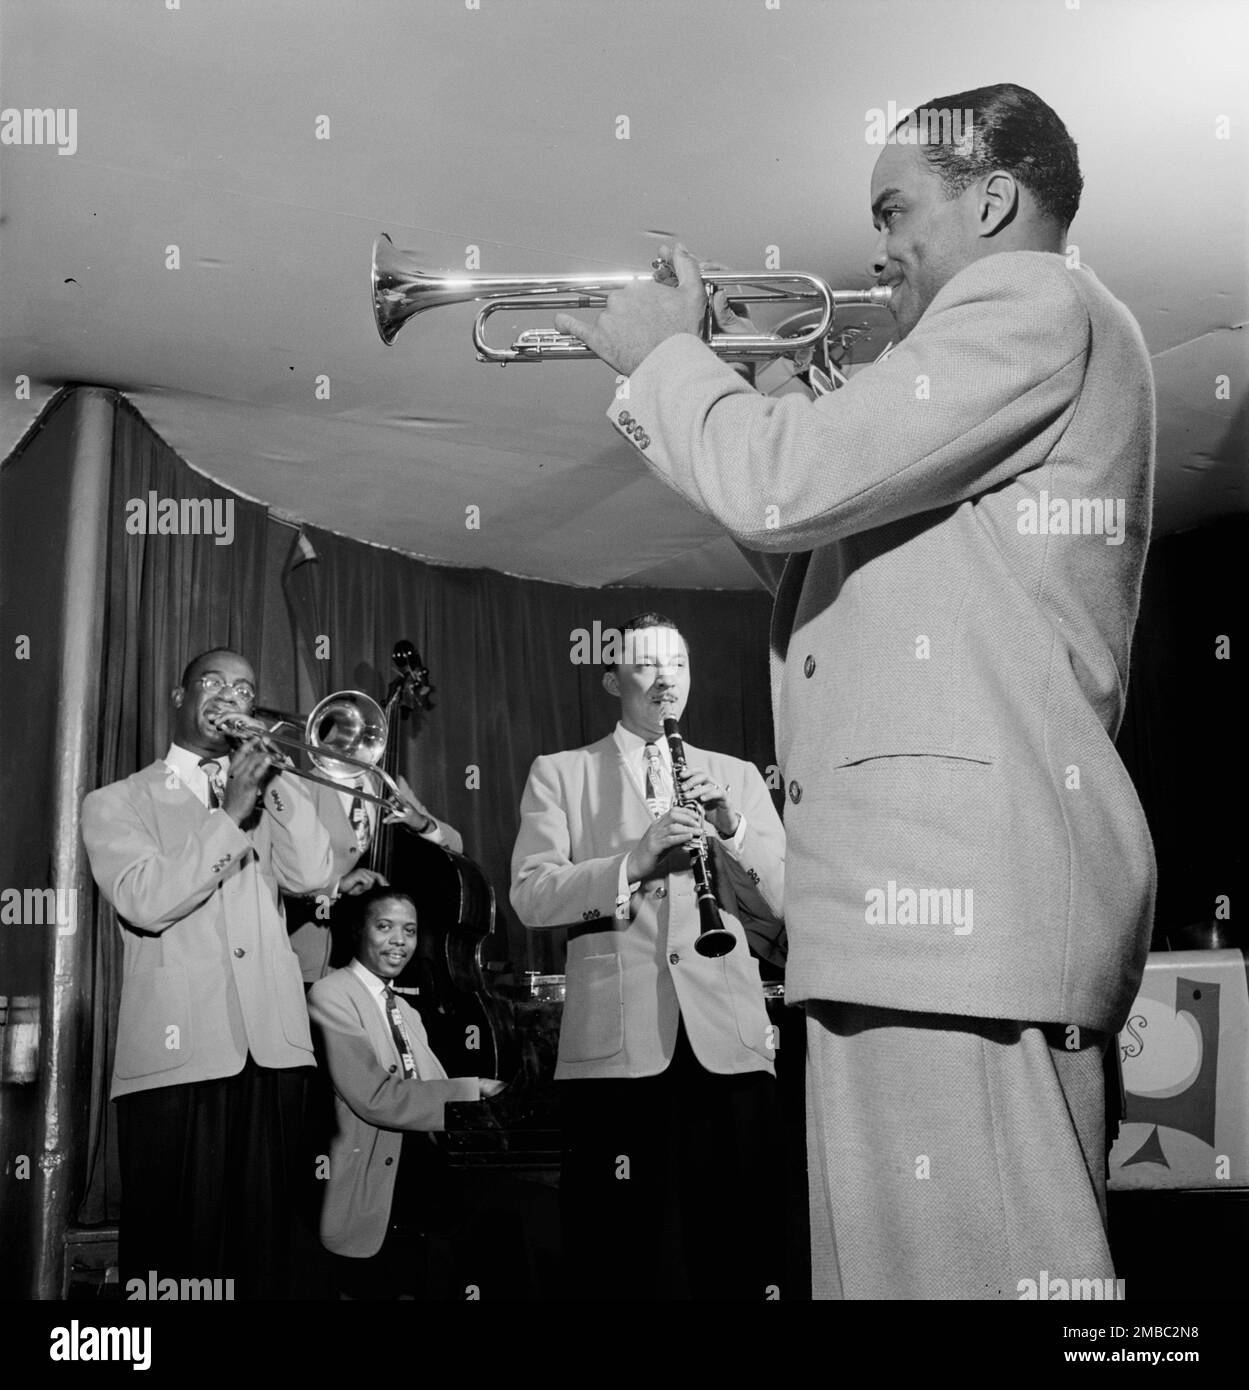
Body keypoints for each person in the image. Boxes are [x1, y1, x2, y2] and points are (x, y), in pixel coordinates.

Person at [554, 84, 1156, 1299]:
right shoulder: (989, 352)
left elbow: (785, 486)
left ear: (991, 199)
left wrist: (672, 360)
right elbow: (801, 545)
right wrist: (758, 394)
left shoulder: (1032, 298)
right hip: (912, 922)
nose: (875, 248)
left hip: (957, 914)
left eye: (894, 209)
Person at [510, 613, 786, 1299]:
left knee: (736, 1242)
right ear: (612, 678)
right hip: (621, 1041)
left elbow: (784, 906)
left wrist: (732, 828)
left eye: (679, 663)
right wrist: (632, 860)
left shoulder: (738, 777)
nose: (666, 677)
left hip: (725, 1033)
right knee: (627, 1247)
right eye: (645, 664)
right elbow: (531, 897)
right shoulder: (560, 774)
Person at [81, 647, 336, 1298]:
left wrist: (280, 785)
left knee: (271, 1257)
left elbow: (312, 876)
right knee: (179, 1258)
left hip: (275, 1052)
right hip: (176, 1062)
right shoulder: (116, 801)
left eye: (246, 689)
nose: (231, 697)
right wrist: (229, 816)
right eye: (214, 683)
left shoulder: (274, 793)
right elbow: (146, 903)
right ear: (179, 696)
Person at [306, 887, 503, 1298]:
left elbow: (427, 1082)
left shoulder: (406, 1008)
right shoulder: (329, 996)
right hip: (371, 1184)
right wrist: (472, 1090)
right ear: (359, 932)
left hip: (417, 1179)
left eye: (409, 930)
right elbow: (376, 1097)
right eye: (385, 927)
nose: (400, 940)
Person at [288, 764, 463, 985]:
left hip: (383, 955)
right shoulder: (301, 782)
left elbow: (454, 844)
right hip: (320, 949)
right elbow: (283, 871)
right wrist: (336, 885)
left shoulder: (387, 781)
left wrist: (421, 824)